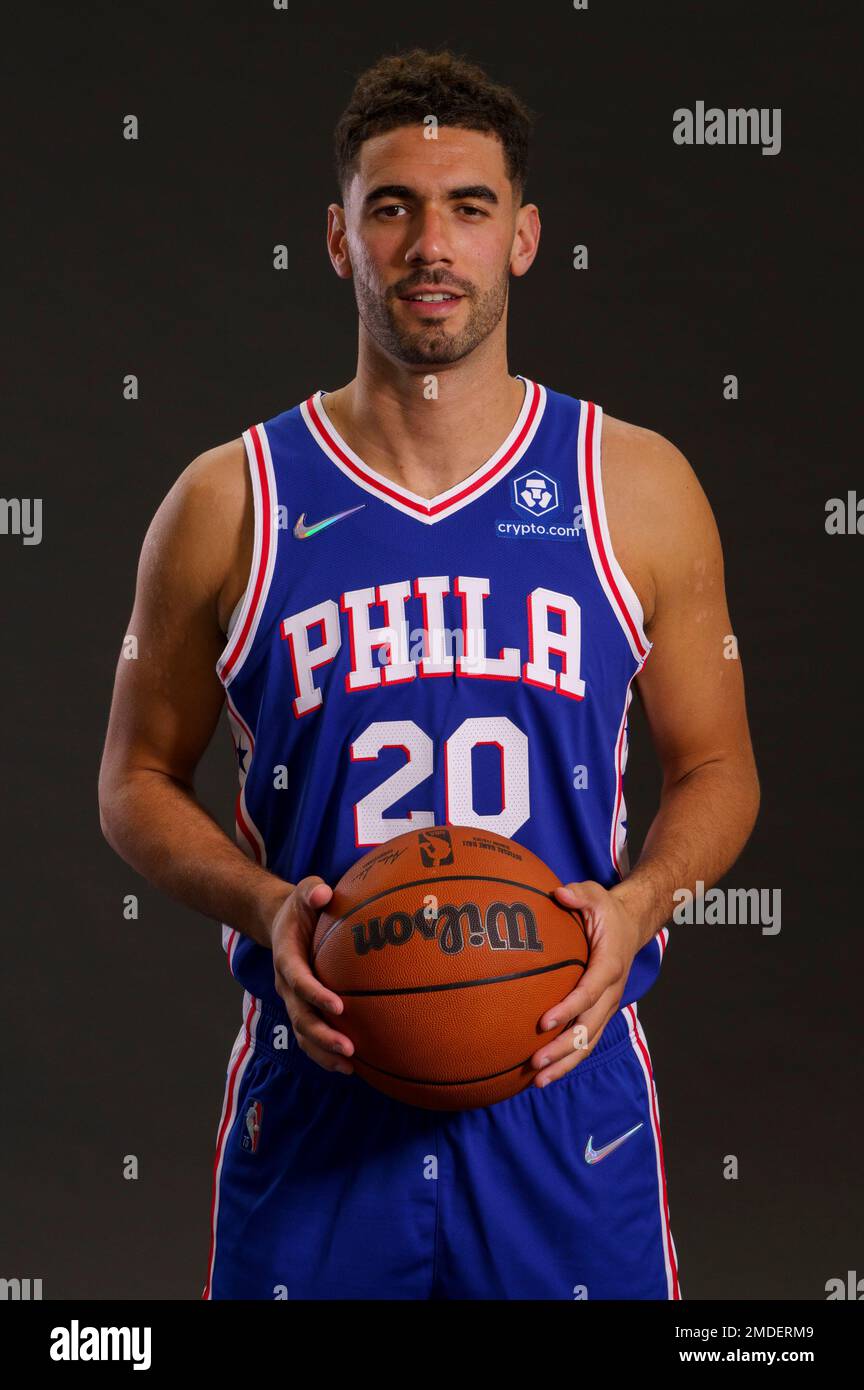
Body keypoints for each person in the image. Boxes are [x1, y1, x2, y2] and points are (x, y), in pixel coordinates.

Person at [98, 48, 759, 1300]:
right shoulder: (228, 501)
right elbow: (132, 779)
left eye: (469, 205)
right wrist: (262, 903)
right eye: (391, 205)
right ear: (338, 239)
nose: (429, 243)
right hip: (319, 1094)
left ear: (525, 236)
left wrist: (641, 900)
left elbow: (721, 766)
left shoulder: (637, 486)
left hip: (566, 1100)